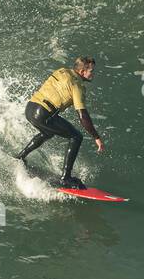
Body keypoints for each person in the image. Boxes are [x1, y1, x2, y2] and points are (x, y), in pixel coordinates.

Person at [14, 56, 104, 188]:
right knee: (76, 137)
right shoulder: (77, 85)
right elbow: (82, 115)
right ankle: (65, 178)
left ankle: (20, 157)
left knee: (48, 132)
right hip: (43, 114)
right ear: (82, 72)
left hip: (30, 108)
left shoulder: (62, 70)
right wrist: (96, 137)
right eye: (91, 71)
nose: (93, 74)